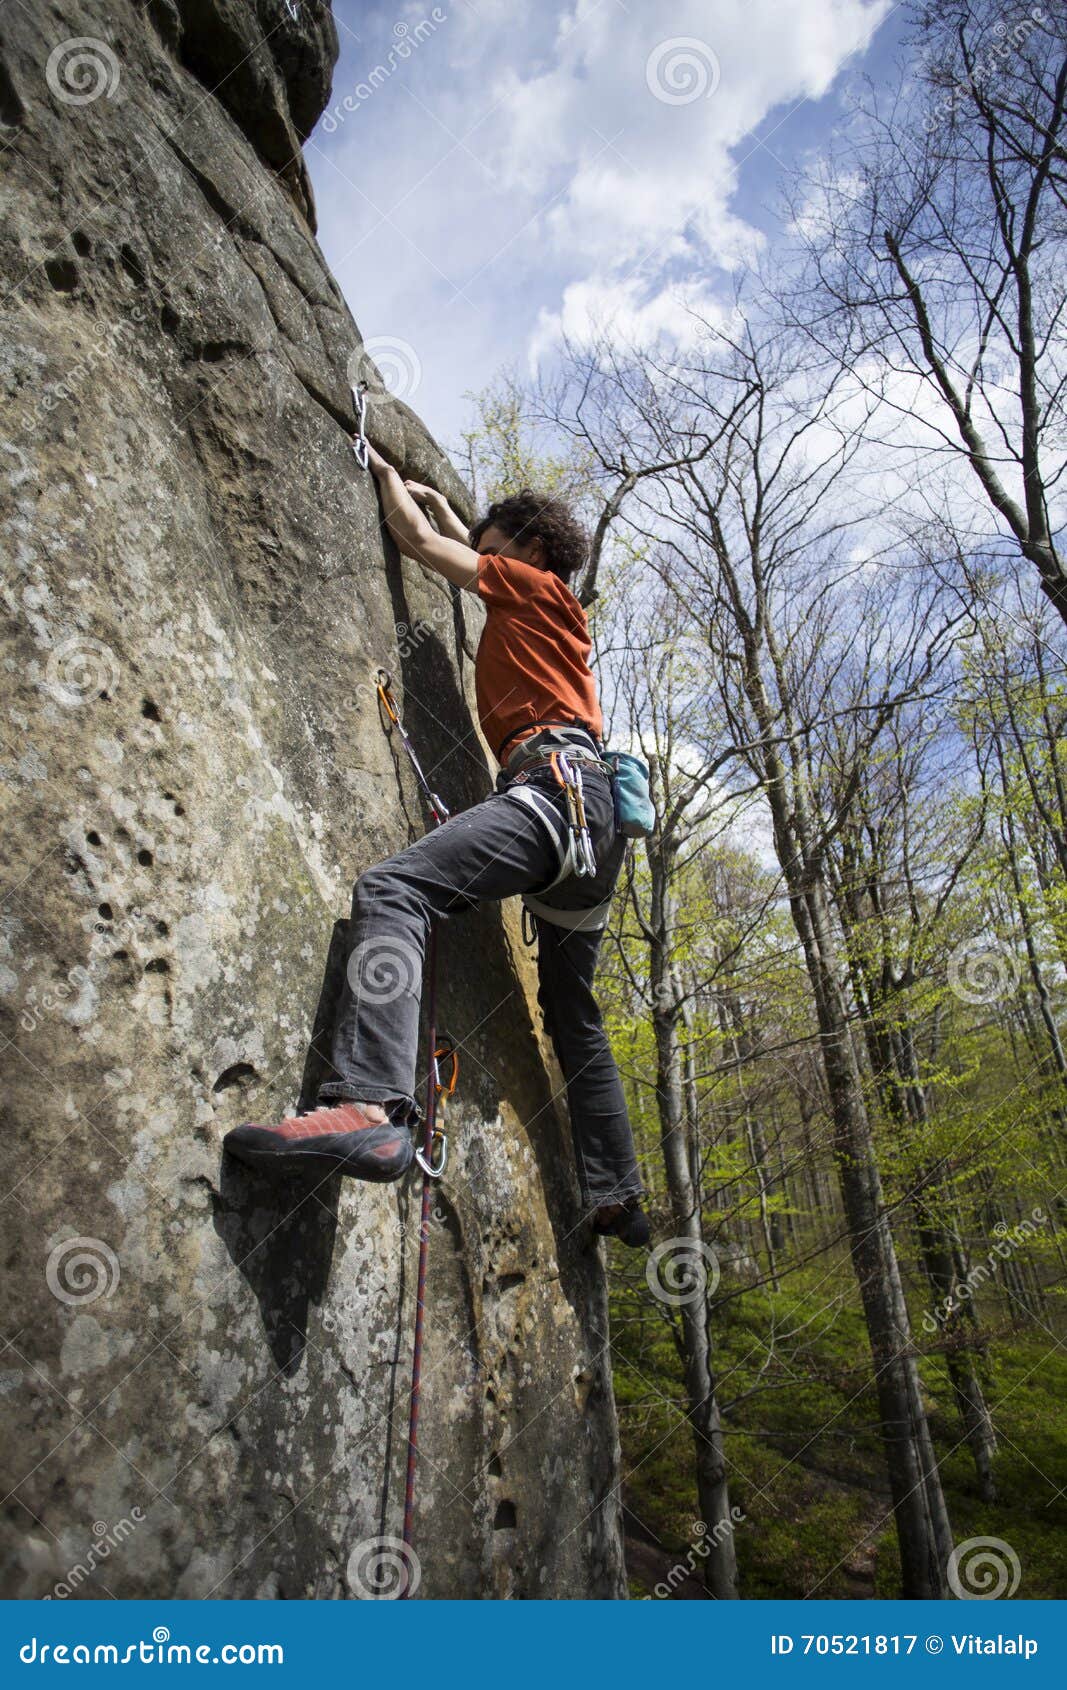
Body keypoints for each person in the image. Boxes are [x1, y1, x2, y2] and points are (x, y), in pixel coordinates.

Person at [224, 444, 648, 1246]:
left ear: (528, 550)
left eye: (491, 549)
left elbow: (421, 544)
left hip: (553, 789)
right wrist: (461, 516)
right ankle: (616, 1192)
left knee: (393, 889)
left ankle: (367, 1107)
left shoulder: (532, 586)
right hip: (594, 826)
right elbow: (461, 547)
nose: (480, 560)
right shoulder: (550, 608)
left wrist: (383, 473)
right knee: (573, 1015)